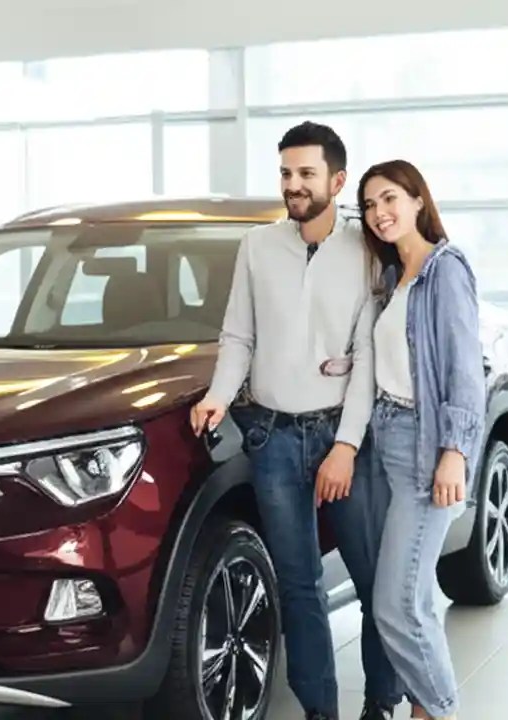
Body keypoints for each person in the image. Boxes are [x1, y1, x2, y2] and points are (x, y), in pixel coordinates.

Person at [191, 121, 402, 720]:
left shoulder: (366, 249)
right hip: (273, 437)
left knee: (374, 581)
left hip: (342, 436)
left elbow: (367, 356)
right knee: (299, 585)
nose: (293, 184)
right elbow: (238, 335)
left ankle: (381, 702)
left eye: (307, 173)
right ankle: (320, 711)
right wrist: (218, 395)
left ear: (337, 180)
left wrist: (346, 446)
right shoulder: (257, 247)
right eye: (286, 172)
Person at [357, 159, 485, 720]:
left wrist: (454, 453)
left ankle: (440, 708)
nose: (379, 212)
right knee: (416, 597)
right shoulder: (393, 278)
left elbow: (464, 370)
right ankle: (424, 709)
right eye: (369, 205)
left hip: (424, 443)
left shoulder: (444, 269)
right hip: (385, 437)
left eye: (389, 198)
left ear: (416, 200)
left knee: (396, 603)